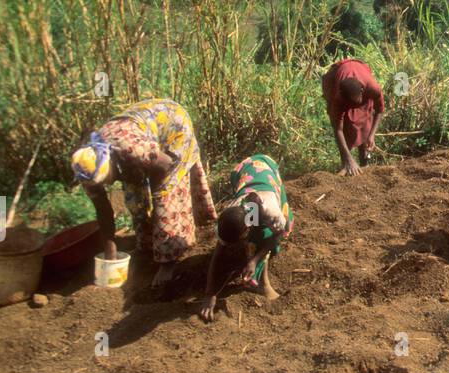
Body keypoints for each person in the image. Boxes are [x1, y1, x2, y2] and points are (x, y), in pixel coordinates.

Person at [70, 98, 217, 287]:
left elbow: (164, 165)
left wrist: (157, 205)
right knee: (134, 198)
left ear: (112, 163)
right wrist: (111, 255)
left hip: (172, 127)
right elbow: (103, 211)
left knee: (166, 196)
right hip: (141, 146)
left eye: (108, 178)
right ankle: (148, 246)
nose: (108, 183)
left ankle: (169, 259)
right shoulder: (86, 169)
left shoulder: (131, 149)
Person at [200, 153, 293, 322]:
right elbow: (218, 254)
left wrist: (255, 260)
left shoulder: (272, 213)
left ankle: (263, 283)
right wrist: (210, 294)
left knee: (267, 235)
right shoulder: (233, 210)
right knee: (254, 240)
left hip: (265, 168)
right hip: (244, 170)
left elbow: (277, 234)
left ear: (246, 229)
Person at [321, 58, 385, 176]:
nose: (352, 108)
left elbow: (380, 110)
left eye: (355, 104)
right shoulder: (338, 98)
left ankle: (364, 162)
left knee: (365, 120)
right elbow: (338, 128)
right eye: (349, 105)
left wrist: (371, 136)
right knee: (346, 124)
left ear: (362, 91)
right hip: (338, 78)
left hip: (360, 76)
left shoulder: (373, 88)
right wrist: (348, 159)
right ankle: (347, 162)